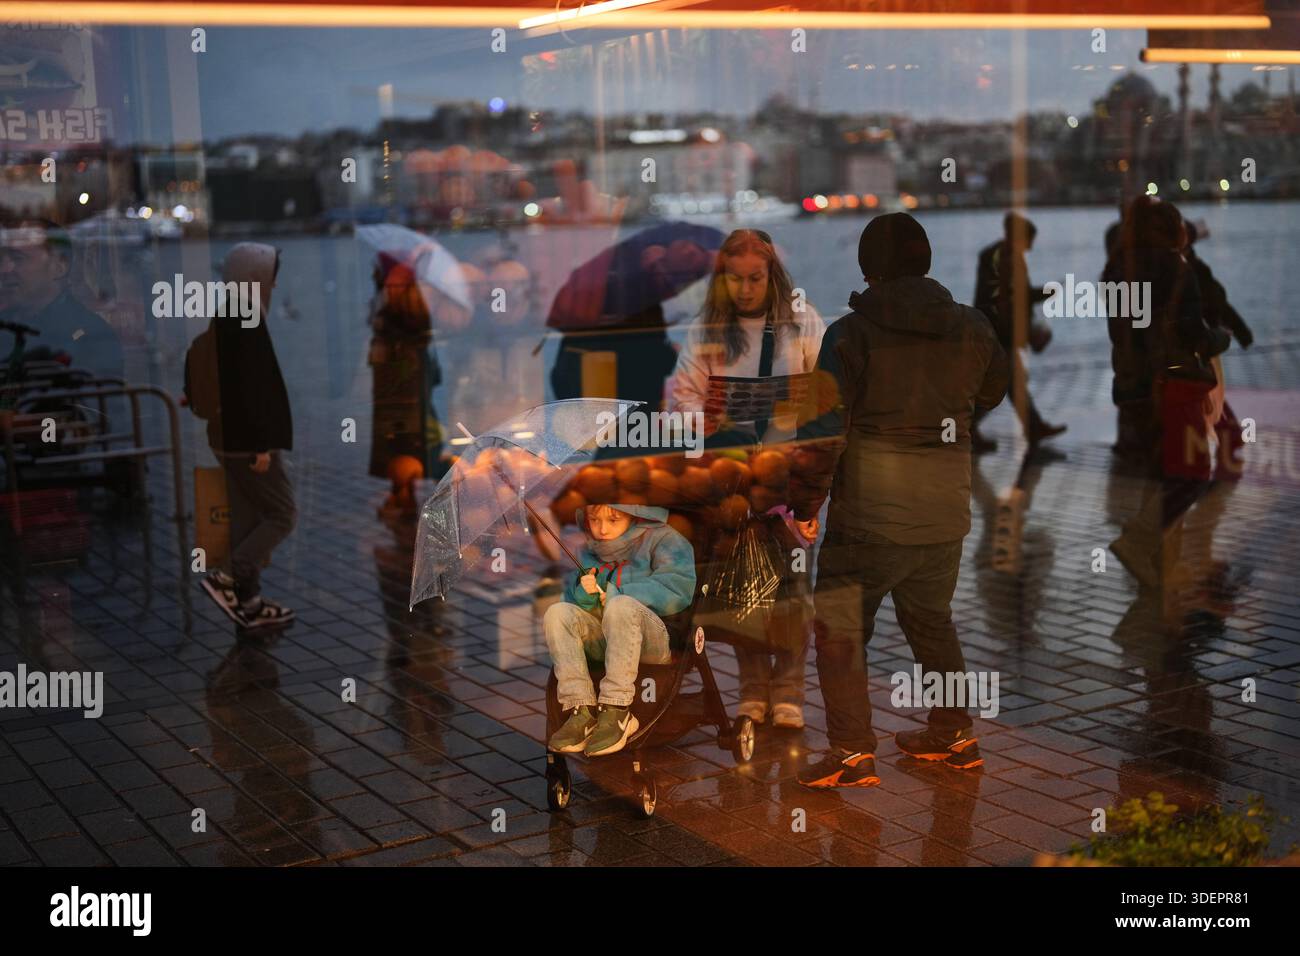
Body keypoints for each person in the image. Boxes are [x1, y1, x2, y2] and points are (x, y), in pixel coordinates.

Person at [790, 213, 1009, 789]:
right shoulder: (974, 326)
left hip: (869, 516)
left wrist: (806, 506)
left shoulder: (849, 334)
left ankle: (852, 753)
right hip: (944, 507)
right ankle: (954, 735)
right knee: (933, 623)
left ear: (869, 267)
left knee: (840, 635)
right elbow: (990, 391)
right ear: (926, 261)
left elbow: (821, 430)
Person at [668, 228, 825, 728]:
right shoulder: (707, 328)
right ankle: (754, 691)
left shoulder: (802, 320)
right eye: (734, 280)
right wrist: (707, 425)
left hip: (790, 478)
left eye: (755, 278)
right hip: (733, 479)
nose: (746, 289)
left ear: (772, 274)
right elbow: (683, 396)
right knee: (745, 587)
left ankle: (791, 694)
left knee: (795, 589)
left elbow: (828, 393)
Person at [1103, 198, 1230, 600]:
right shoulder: (1173, 267)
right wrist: (1220, 337)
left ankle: (1154, 562)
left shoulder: (1116, 269)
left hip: (1133, 389)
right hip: (1173, 384)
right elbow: (1190, 332)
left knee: (1160, 471)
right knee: (1193, 473)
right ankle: (1140, 540)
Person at [191, 243, 297, 629]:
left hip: (224, 437)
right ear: (254, 278)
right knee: (283, 514)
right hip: (246, 442)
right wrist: (261, 444)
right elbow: (251, 390)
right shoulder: (246, 317)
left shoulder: (227, 315)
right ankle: (228, 578)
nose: (273, 284)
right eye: (269, 276)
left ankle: (248, 603)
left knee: (249, 517)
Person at [545, 503, 696, 757]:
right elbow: (574, 602)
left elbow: (678, 588)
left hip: (652, 638)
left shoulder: (664, 539)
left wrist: (620, 593)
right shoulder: (588, 549)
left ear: (634, 515)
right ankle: (581, 709)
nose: (602, 529)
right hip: (606, 639)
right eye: (594, 520)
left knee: (621, 606)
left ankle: (617, 709)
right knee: (557, 613)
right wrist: (584, 593)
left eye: (613, 520)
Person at [972, 212, 1064, 451]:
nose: (1031, 246)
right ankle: (970, 429)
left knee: (1009, 383)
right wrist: (1047, 293)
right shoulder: (1007, 258)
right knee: (1003, 383)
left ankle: (1033, 428)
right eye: (1030, 239)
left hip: (993, 328)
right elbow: (1014, 297)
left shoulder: (1000, 255)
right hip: (1001, 331)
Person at [0, 218, 123, 382]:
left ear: (59, 266)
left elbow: (93, 405)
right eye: (2, 259)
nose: (4, 269)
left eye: (19, 259)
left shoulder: (91, 336)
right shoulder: (6, 324)